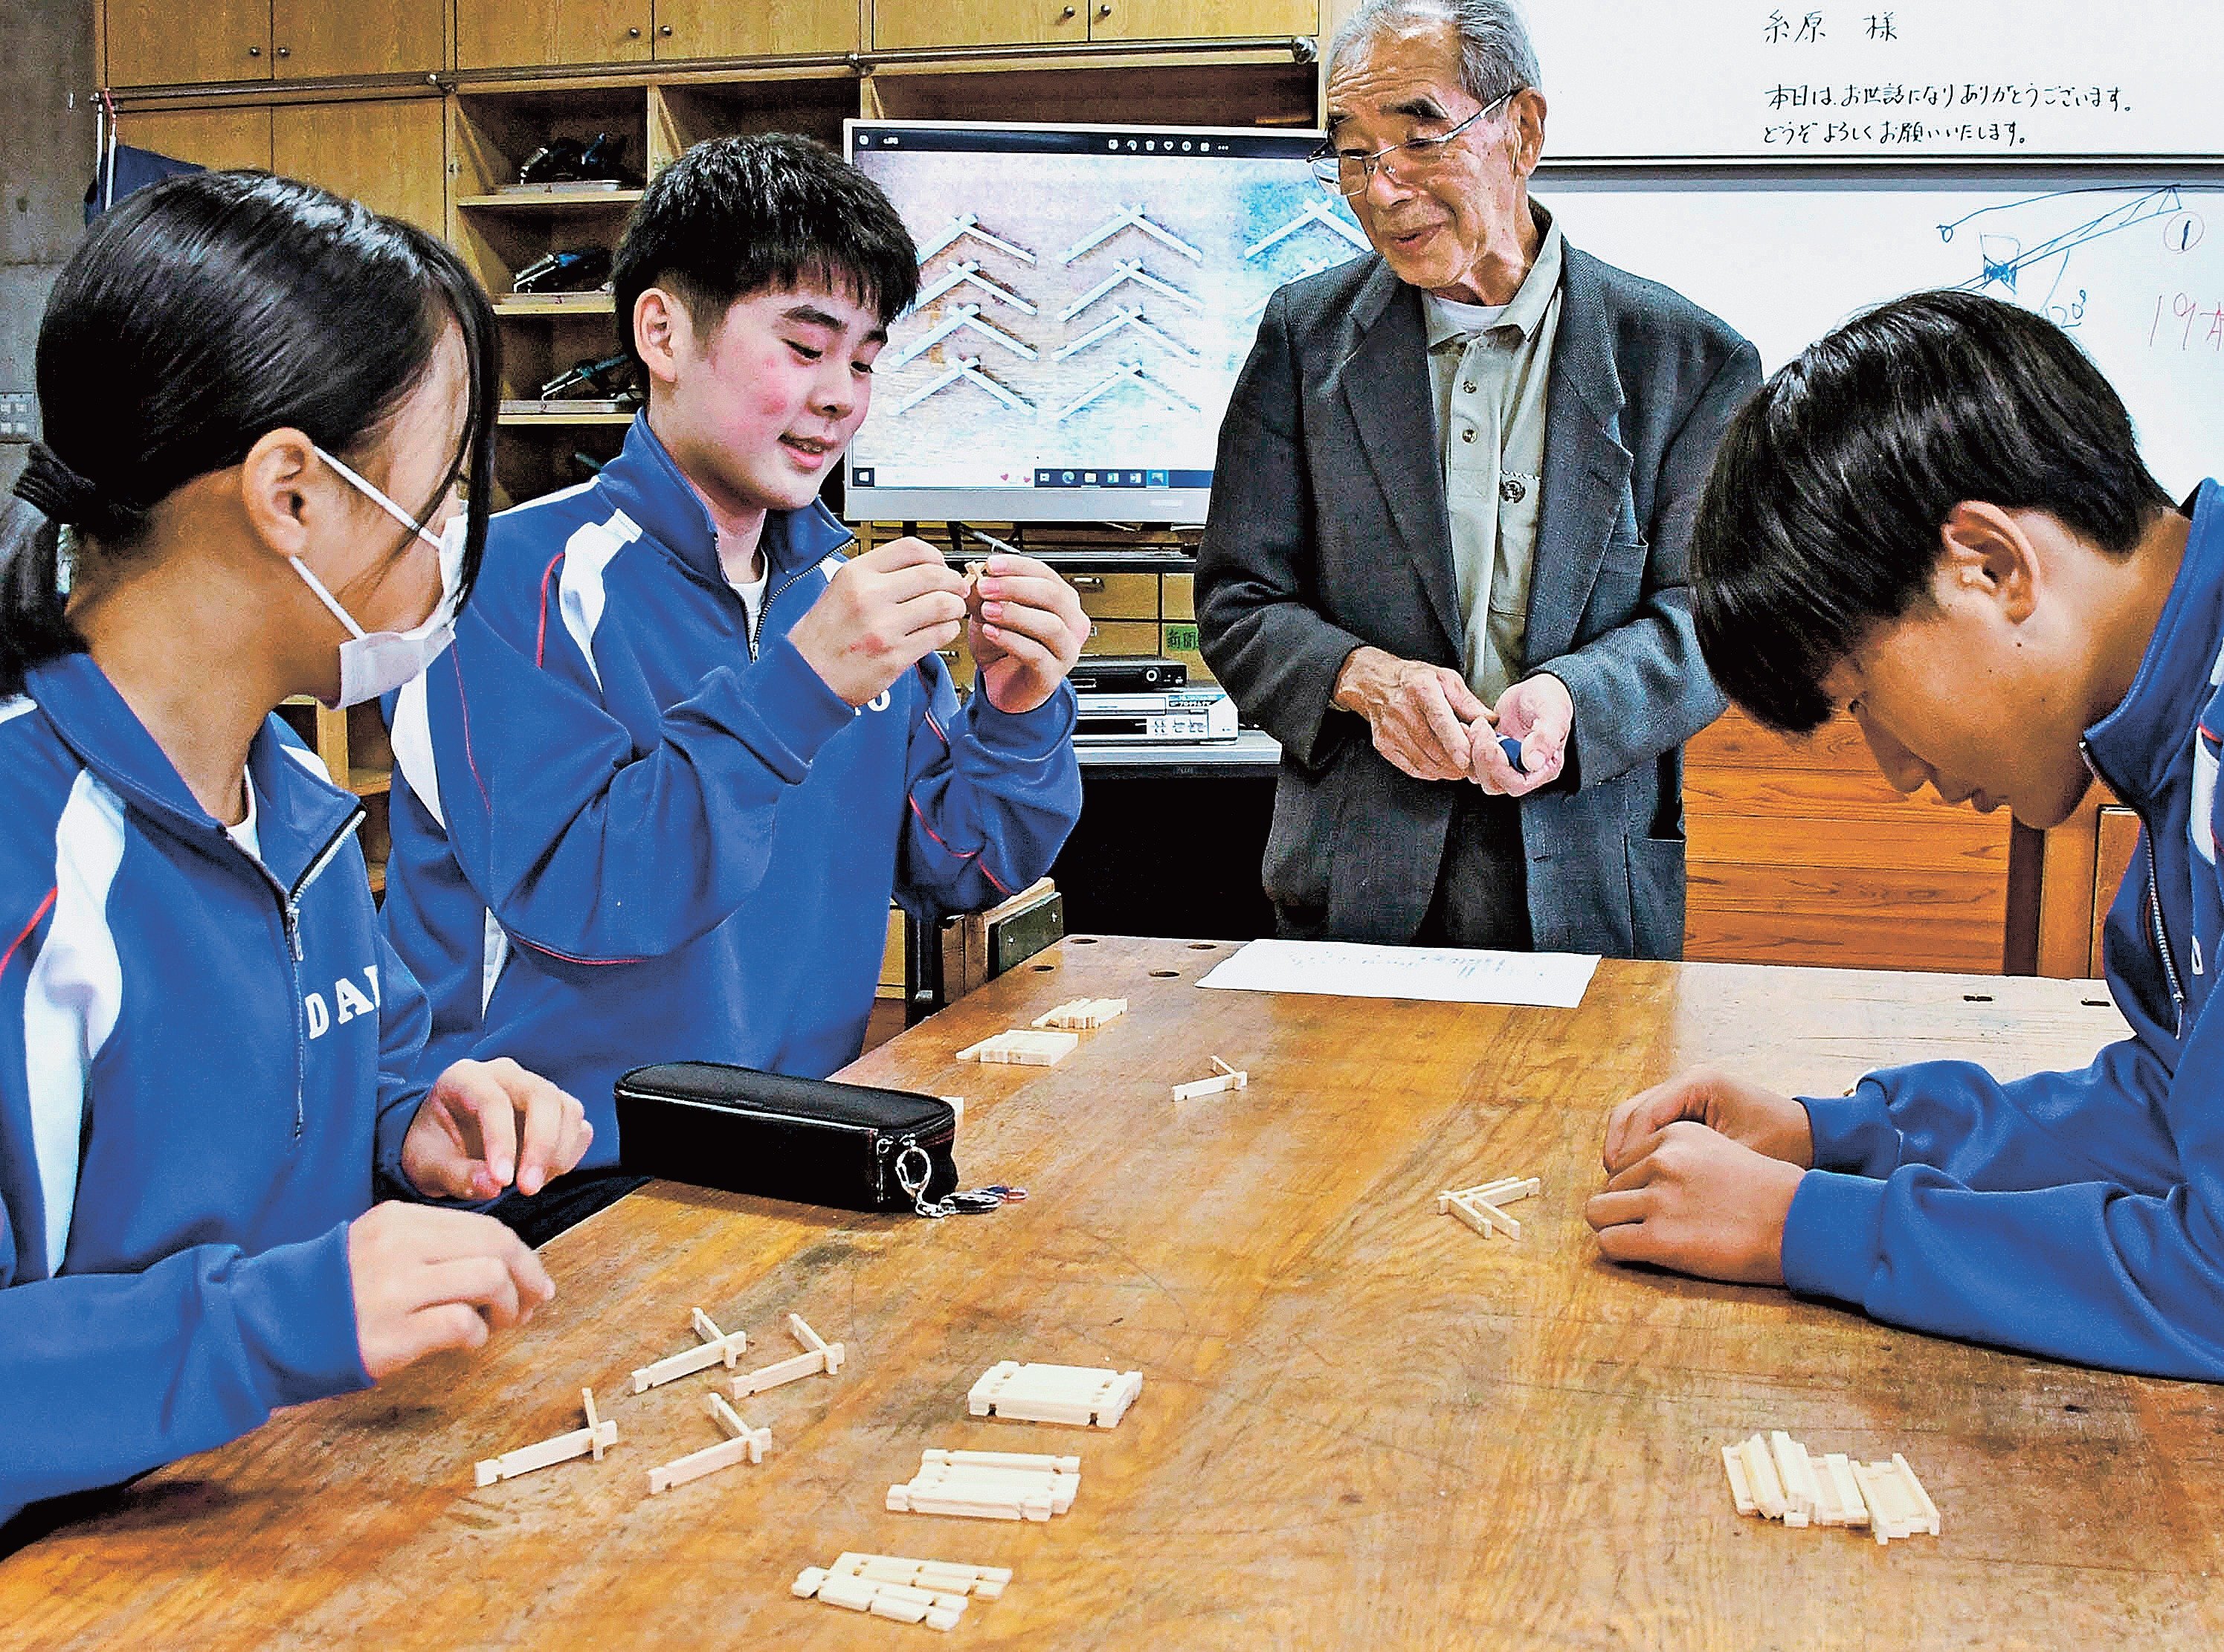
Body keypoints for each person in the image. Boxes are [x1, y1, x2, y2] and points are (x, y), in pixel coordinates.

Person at [0, 171, 594, 1537]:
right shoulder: (27, 850)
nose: (455, 537)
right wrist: (275, 1322)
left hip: (260, 1520)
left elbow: (331, 1080)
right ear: (290, 493)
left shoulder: (295, 798)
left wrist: (410, 1123)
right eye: (440, 490)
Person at [378, 134, 1088, 1240]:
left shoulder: (839, 586)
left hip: (801, 1143)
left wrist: (1016, 706)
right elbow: (594, 901)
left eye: (862, 360)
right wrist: (795, 688)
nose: (838, 399)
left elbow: (961, 865)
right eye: (803, 347)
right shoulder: (505, 584)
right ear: (660, 332)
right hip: (549, 1181)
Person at [1584, 288, 2224, 1378]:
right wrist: (1835, 1135)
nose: (1892, 767)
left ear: (1988, 564)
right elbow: (2171, 1111)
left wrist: (1807, 1226)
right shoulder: (2179, 736)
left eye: (1863, 695)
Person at [1197, 0, 1759, 956]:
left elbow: (1717, 617)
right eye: (1353, 155)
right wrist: (1365, 681)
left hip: (1591, 880)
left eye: (1419, 140)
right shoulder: (1304, 339)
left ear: (1523, 130)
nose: (1381, 190)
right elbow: (1239, 601)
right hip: (1356, 882)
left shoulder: (1687, 360)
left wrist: (1577, 697)